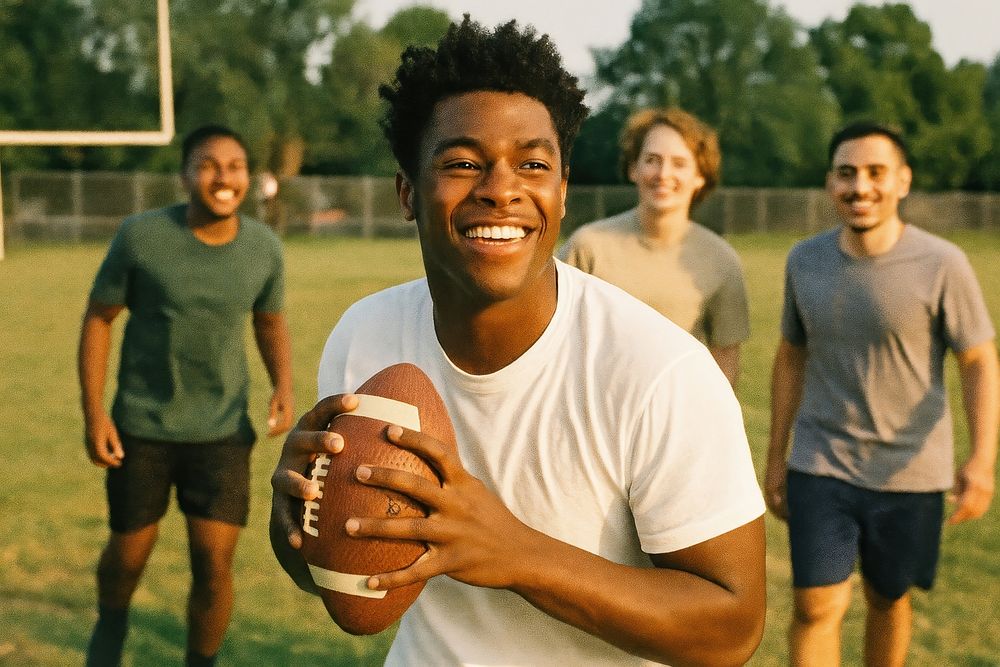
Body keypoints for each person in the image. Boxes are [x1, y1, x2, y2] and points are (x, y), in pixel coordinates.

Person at [270, 17, 765, 666]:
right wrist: (298, 530)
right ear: (407, 193)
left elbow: (732, 627)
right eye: (463, 162)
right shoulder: (366, 336)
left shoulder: (659, 371)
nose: (502, 188)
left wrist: (516, 552)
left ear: (562, 194)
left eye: (532, 164)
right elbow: (354, 586)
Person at [765, 121, 999, 666]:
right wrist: (777, 456)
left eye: (875, 173)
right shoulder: (804, 260)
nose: (860, 187)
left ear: (902, 182)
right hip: (822, 462)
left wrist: (983, 460)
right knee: (815, 604)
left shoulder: (943, 263)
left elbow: (979, 361)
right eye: (846, 173)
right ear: (830, 183)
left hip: (909, 472)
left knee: (887, 598)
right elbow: (790, 355)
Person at [79, 124, 294, 667]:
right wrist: (94, 413)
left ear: (249, 176)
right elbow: (100, 319)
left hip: (222, 433)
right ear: (184, 175)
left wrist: (283, 385)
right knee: (128, 558)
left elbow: (269, 323)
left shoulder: (264, 249)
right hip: (142, 428)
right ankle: (110, 630)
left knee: (214, 564)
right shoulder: (140, 236)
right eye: (208, 163)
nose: (224, 176)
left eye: (236, 165)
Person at [558, 108, 749, 388]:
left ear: (700, 176)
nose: (663, 174)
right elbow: (553, 339)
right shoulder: (588, 246)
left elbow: (726, 357)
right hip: (594, 416)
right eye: (652, 160)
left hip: (678, 418)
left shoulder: (721, 259)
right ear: (633, 168)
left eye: (680, 163)